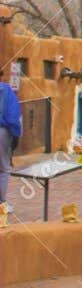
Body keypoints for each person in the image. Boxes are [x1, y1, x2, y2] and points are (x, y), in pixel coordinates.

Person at [0, 67, 22, 206]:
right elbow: (13, 117)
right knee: (4, 168)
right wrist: (15, 136)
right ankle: (1, 203)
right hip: (2, 131)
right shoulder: (6, 91)